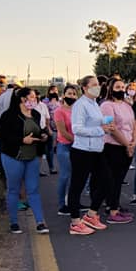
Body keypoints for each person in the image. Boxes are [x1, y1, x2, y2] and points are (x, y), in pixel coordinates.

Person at [0, 87, 49, 234]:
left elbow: (38, 130)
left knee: (33, 189)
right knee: (13, 189)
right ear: (22, 98)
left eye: (35, 97)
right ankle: (14, 222)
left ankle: (40, 222)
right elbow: (1, 135)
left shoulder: (36, 114)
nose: (34, 99)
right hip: (13, 156)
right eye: (31, 97)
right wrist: (21, 140)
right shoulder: (9, 115)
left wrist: (43, 135)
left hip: (32, 156)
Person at [67, 76, 112, 236]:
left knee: (107, 181)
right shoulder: (80, 105)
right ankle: (75, 222)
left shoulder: (94, 104)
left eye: (98, 84)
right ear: (85, 88)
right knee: (77, 186)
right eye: (94, 85)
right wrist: (100, 130)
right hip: (82, 151)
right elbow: (77, 129)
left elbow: (95, 122)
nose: (97, 87)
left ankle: (91, 215)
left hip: (97, 150)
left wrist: (106, 125)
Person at [100, 77, 136, 224]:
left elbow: (134, 123)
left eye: (122, 87)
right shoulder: (106, 106)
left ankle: (114, 205)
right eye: (117, 87)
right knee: (113, 179)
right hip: (113, 147)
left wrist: (133, 142)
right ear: (111, 89)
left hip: (127, 146)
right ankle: (112, 211)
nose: (121, 90)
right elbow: (112, 128)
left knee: (119, 179)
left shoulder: (127, 105)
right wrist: (127, 144)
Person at [53, 84, 78, 215]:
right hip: (65, 145)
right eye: (69, 93)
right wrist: (77, 141)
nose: (71, 96)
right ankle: (62, 204)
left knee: (76, 176)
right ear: (63, 95)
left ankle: (74, 202)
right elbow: (62, 131)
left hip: (77, 146)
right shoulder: (59, 111)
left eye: (74, 94)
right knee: (65, 175)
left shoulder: (78, 111)